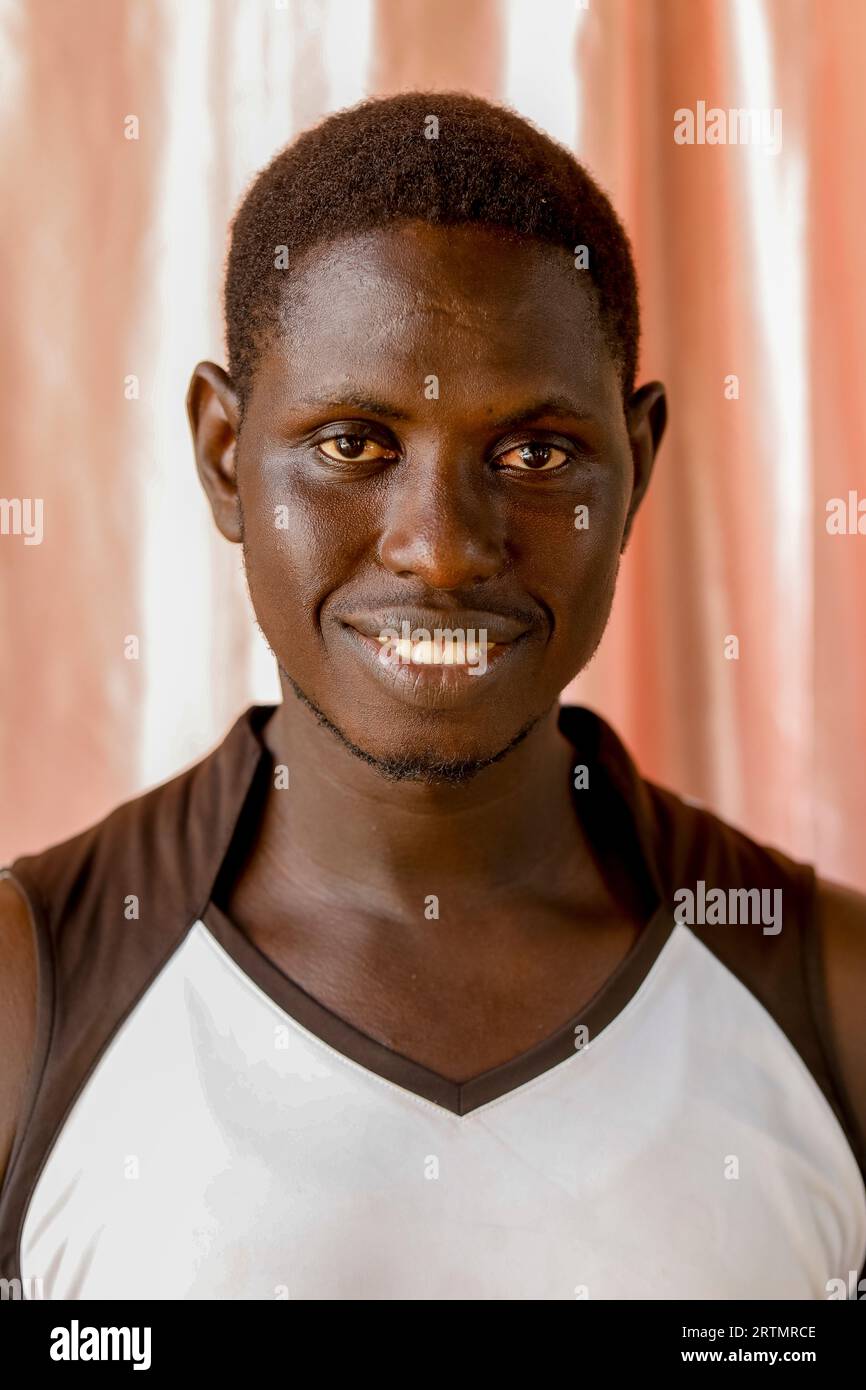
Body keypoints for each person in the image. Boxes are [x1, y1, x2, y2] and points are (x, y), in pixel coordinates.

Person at [1, 91, 864, 1301]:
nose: (443, 548)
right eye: (354, 444)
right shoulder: (32, 991)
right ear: (222, 456)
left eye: (531, 454)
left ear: (637, 465)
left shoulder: (830, 992)